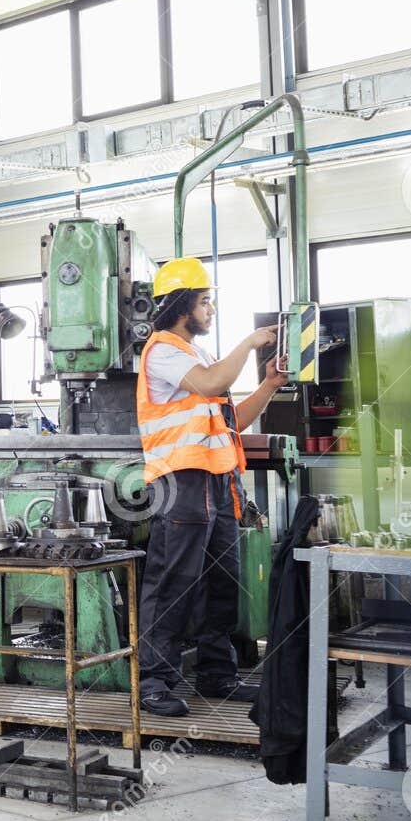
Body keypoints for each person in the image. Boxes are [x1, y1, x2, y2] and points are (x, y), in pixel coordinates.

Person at [135, 257, 283, 717]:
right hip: (182, 479)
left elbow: (231, 420)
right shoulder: (162, 350)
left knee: (223, 581)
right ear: (182, 305)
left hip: (219, 481)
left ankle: (218, 673)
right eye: (204, 301)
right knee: (174, 581)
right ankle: (154, 681)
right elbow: (215, 382)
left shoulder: (195, 355)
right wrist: (250, 342)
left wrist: (270, 384)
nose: (211, 309)